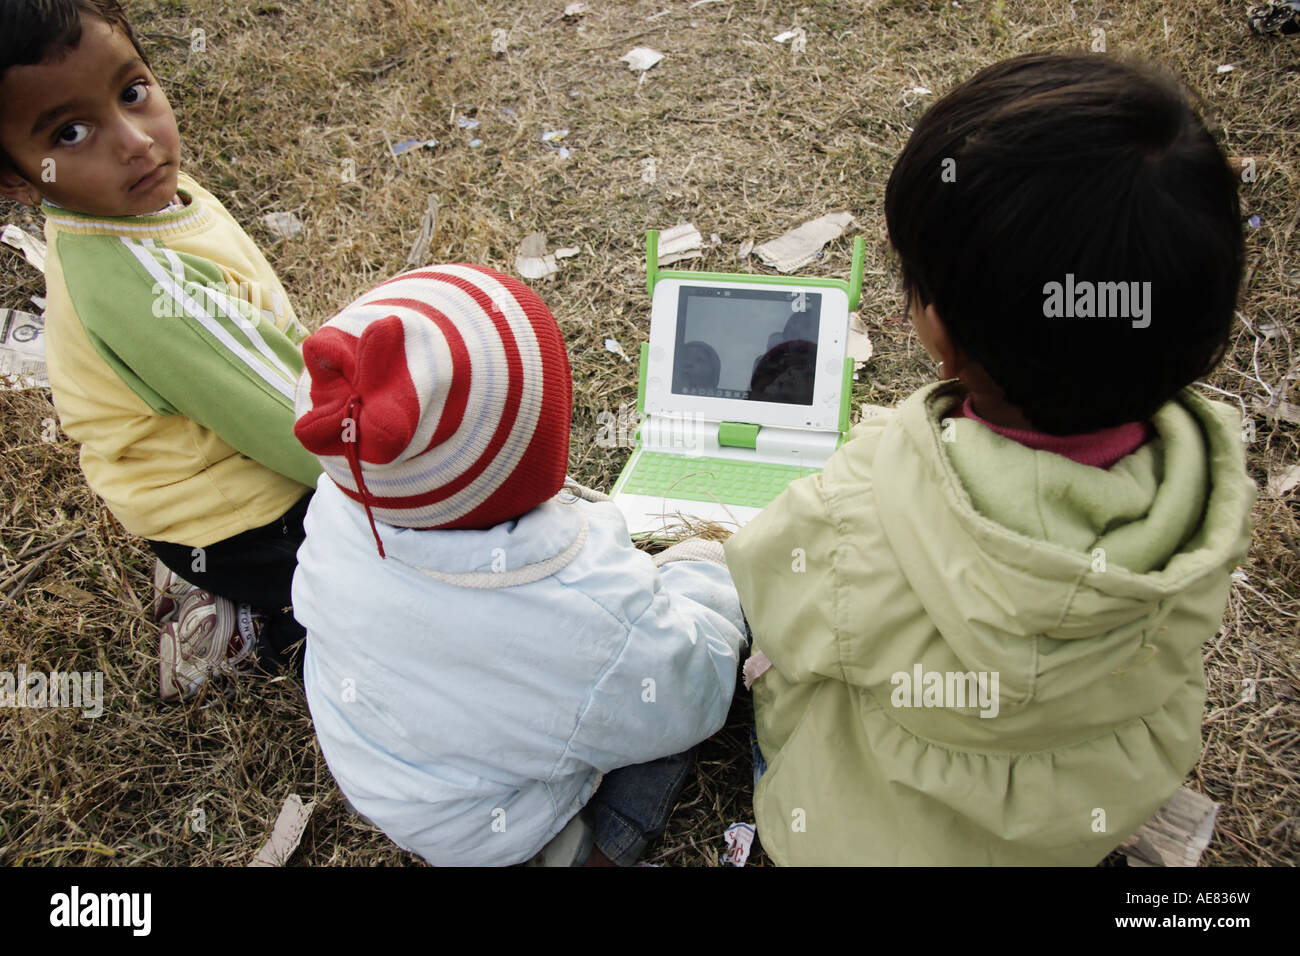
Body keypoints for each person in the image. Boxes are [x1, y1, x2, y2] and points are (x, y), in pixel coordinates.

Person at [724, 52, 1256, 865]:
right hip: (1081, 817)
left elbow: (765, 598)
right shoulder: (1209, 501)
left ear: (935, 332)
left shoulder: (857, 506)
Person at [291, 264, 746, 866]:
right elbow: (695, 691)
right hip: (500, 831)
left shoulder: (346, 499)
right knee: (651, 721)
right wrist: (707, 566)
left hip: (388, 776)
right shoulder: (583, 610)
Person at [0, 0, 321, 700]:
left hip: (202, 490)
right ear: (18, 180)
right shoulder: (141, 283)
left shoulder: (137, 199)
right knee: (385, 604)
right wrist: (415, 481)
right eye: (72, 131)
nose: (136, 141)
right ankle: (258, 626)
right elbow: (294, 422)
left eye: (132, 92)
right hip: (246, 523)